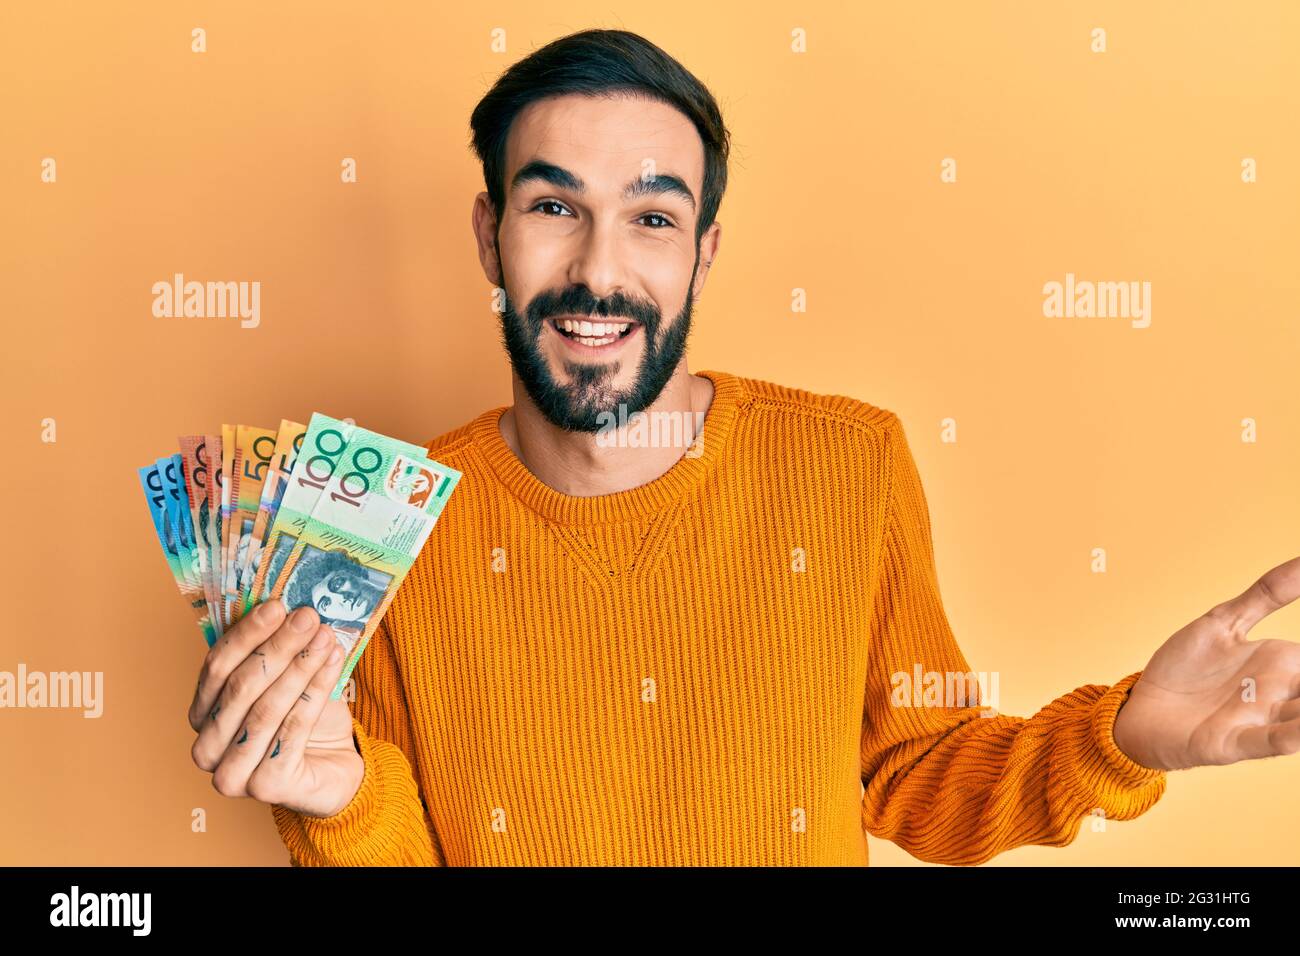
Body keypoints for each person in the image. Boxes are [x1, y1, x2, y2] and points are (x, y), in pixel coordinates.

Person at [188, 28, 1300, 866]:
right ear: (490, 236)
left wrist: (1120, 737)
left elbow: (915, 775)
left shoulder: (847, 462)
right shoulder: (376, 530)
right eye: (552, 207)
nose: (600, 269)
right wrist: (336, 803)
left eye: (653, 216)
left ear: (704, 253)